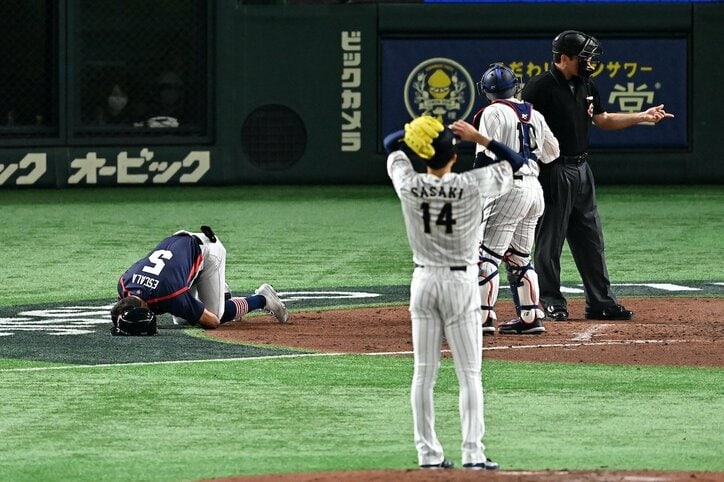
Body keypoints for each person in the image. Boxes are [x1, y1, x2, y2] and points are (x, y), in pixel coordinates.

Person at [385, 115, 530, 470]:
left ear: (422, 154)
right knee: (469, 374)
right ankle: (473, 453)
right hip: (461, 285)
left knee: (423, 374)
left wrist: (418, 134)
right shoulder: (473, 184)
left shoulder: (409, 183)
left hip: (423, 283)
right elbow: (518, 162)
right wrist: (479, 136)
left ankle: (428, 455)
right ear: (454, 156)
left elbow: (391, 144)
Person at [521, 30, 674, 321]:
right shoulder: (538, 88)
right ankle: (551, 301)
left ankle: (600, 302)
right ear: (564, 58)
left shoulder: (586, 84)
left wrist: (642, 116)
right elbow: (524, 130)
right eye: (584, 57)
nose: (590, 62)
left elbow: (602, 120)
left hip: (582, 170)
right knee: (549, 242)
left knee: (591, 239)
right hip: (552, 171)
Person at [450, 63, 560, 336]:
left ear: (486, 91)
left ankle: (482, 318)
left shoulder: (491, 112)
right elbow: (553, 153)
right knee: (520, 257)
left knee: (484, 256)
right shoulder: (534, 114)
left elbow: (484, 154)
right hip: (534, 189)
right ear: (516, 86)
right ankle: (531, 315)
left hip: (506, 189)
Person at [110, 225, 288, 336]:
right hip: (178, 250)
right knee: (182, 320)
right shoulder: (124, 284)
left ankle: (263, 298)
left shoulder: (168, 294)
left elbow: (212, 322)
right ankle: (220, 293)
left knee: (215, 315)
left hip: (208, 252)